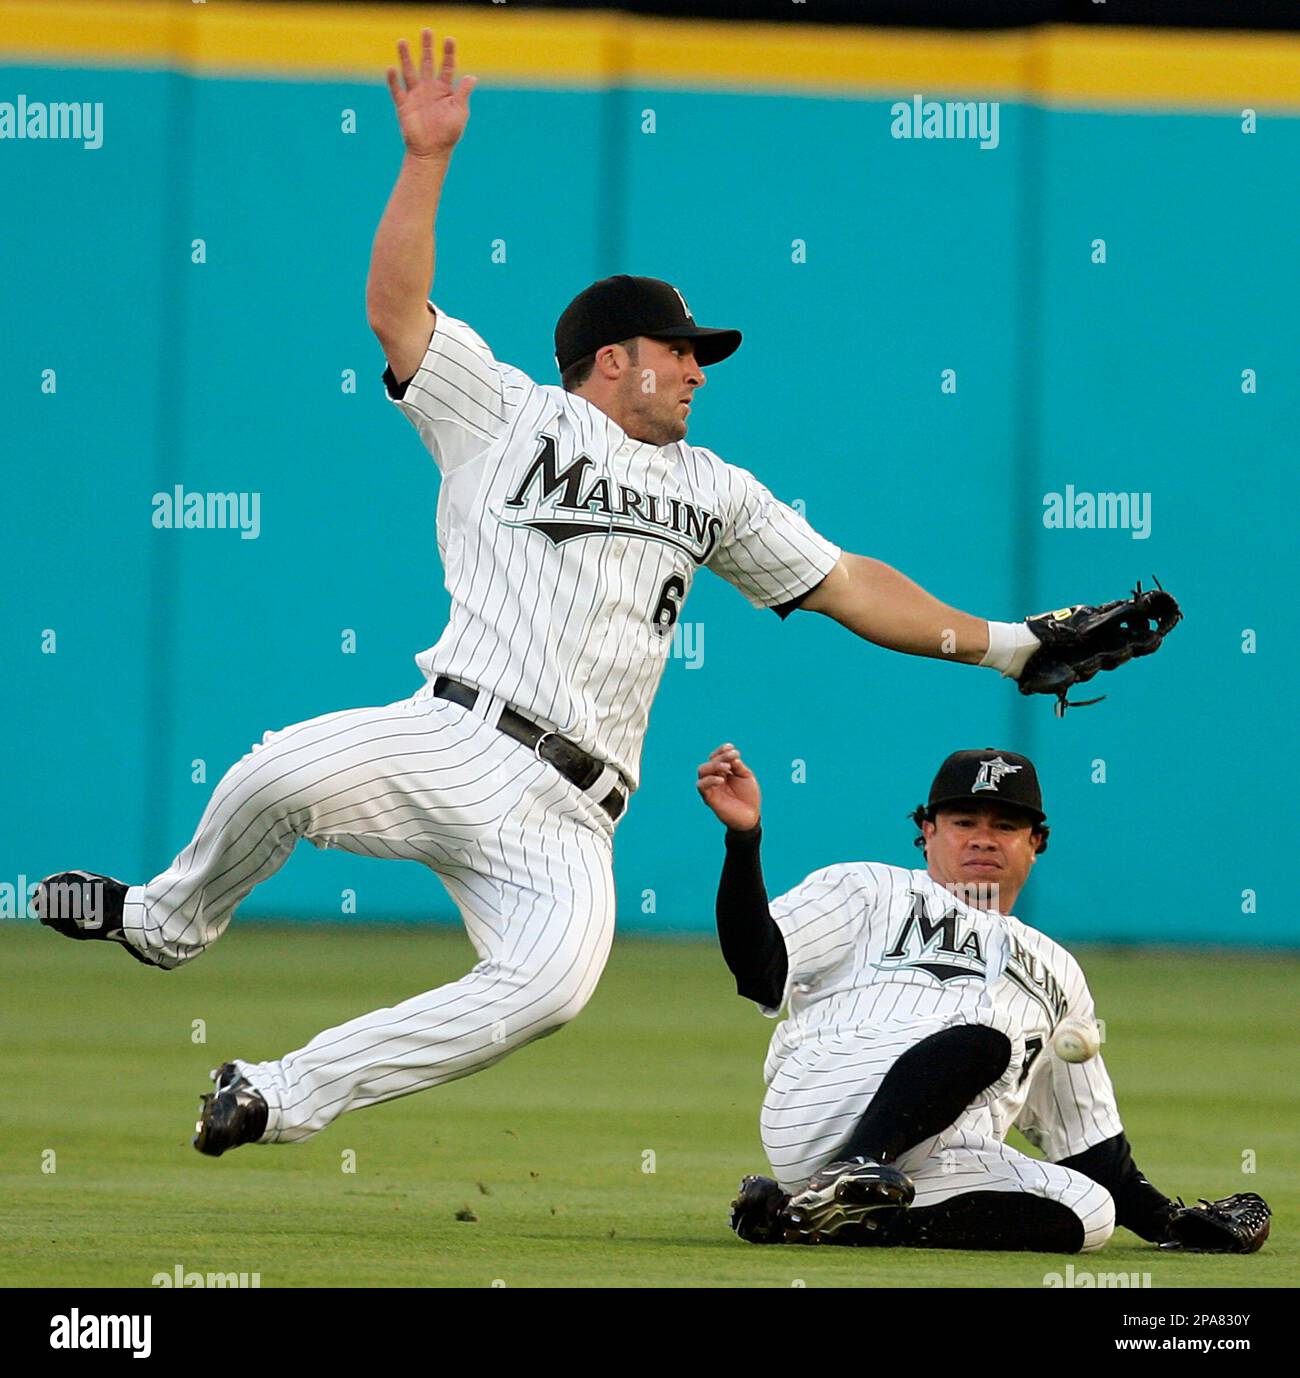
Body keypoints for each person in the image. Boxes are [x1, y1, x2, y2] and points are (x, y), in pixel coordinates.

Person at [33, 32, 1149, 1161]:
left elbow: (846, 582)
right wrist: (424, 160)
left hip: (576, 812)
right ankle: (166, 920)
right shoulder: (505, 412)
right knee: (275, 770)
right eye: (681, 349)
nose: (700, 369)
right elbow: (395, 311)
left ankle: (277, 1091)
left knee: (549, 987)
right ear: (613, 356)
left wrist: (1007, 647)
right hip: (455, 730)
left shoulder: (713, 487)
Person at [697, 742, 1271, 1254]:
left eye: (1005, 825)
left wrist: (1172, 1221)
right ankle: (853, 1168)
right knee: (984, 1025)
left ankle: (815, 1218)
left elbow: (1087, 1141)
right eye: (963, 820)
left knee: (1092, 1210)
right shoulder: (869, 888)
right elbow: (758, 968)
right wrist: (744, 841)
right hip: (826, 1106)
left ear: (1035, 842)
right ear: (926, 830)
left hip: (935, 1159)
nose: (981, 837)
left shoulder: (1060, 972)